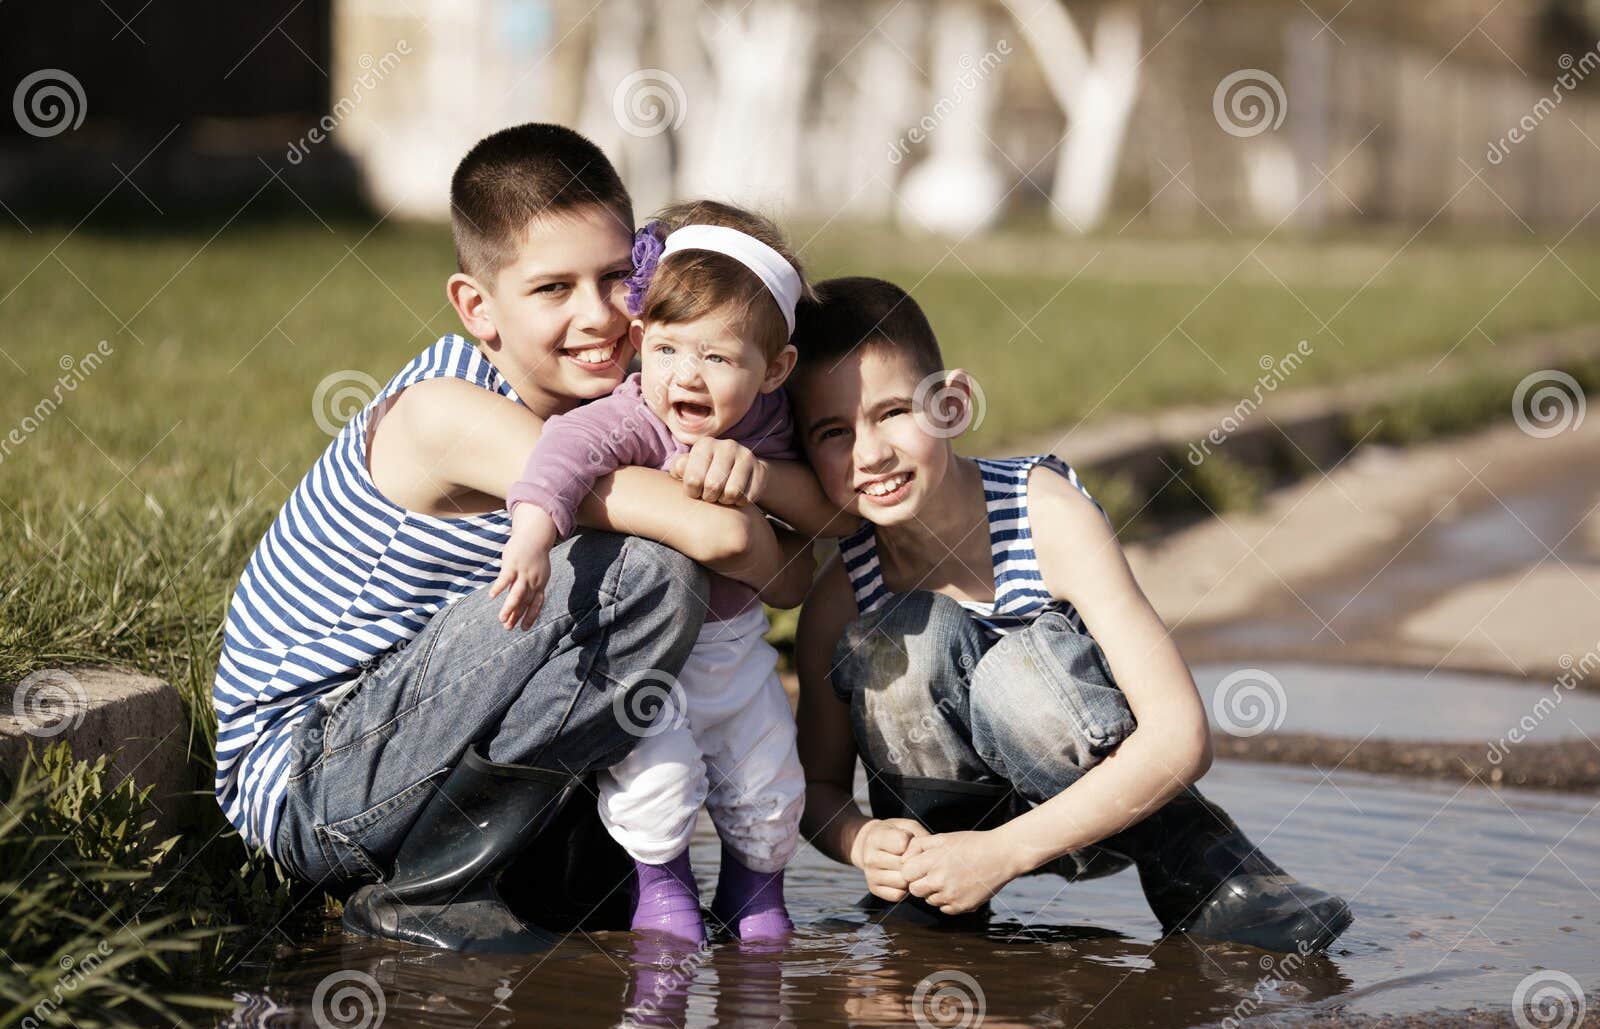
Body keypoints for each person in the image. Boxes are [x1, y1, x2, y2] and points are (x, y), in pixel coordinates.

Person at [212, 124, 800, 953]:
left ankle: (540, 870)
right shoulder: (443, 412)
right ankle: (425, 894)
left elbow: (779, 568)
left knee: (606, 884)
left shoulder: (620, 403)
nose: (598, 316)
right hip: (315, 782)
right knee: (646, 570)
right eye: (553, 289)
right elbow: (713, 536)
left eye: (613, 280)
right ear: (477, 306)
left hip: (418, 745)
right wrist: (751, 499)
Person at [788, 276, 1354, 953]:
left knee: (1011, 675)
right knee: (902, 636)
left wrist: (1002, 854)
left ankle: (1205, 871)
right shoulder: (841, 594)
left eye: (891, 413)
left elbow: (1181, 737)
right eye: (833, 432)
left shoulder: (1048, 517)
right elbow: (817, 785)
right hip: (954, 844)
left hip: (1106, 804)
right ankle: (934, 897)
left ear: (952, 403)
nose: (871, 452)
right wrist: (862, 841)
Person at [495, 201, 843, 943]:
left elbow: (825, 515)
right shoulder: (634, 420)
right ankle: (664, 891)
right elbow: (560, 456)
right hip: (649, 660)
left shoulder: (768, 428)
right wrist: (530, 537)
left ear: (773, 369)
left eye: (717, 358)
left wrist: (759, 475)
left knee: (769, 777)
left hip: (738, 647)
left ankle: (755, 894)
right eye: (670, 351)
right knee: (657, 779)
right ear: (641, 341)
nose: (688, 376)